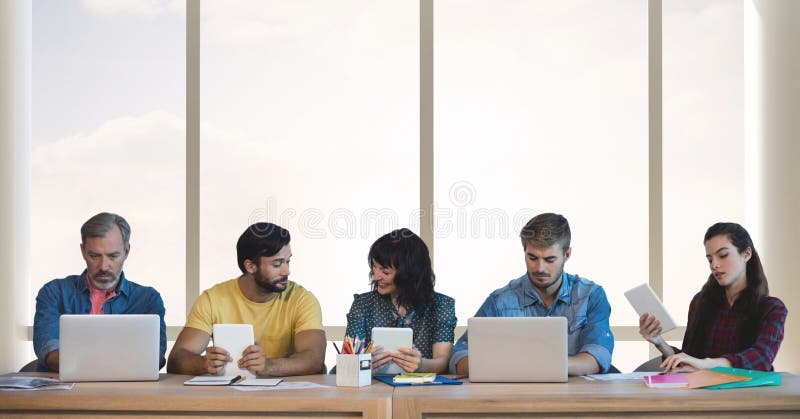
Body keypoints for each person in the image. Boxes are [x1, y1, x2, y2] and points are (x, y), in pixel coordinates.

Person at [449, 213, 614, 376]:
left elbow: (597, 358)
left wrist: (538, 366)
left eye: (550, 259)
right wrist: (512, 368)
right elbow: (459, 357)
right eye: (533, 258)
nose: (540, 268)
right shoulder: (500, 301)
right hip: (515, 397)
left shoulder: (591, 296)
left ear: (567, 255)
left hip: (576, 397)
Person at [168, 222, 325, 377]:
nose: (287, 271)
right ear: (250, 267)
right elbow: (177, 359)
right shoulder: (212, 299)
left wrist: (268, 366)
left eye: (288, 261)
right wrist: (203, 363)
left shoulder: (302, 299)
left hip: (286, 397)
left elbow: (314, 359)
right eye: (277, 264)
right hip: (230, 396)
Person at [639, 222, 787, 372]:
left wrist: (705, 364)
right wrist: (659, 342)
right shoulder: (700, 302)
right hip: (703, 393)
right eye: (710, 259)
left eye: (723, 255)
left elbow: (761, 358)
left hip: (747, 394)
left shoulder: (772, 308)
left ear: (747, 254)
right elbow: (689, 360)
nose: (714, 265)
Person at [33, 212, 167, 372]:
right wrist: (117, 361)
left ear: (126, 251)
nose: (103, 266)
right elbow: (48, 350)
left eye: (113, 256)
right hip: (62, 393)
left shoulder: (148, 300)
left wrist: (83, 362)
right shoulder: (54, 293)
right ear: (83, 251)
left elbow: (154, 358)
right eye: (94, 256)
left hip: (125, 391)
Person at [345, 228, 456, 373]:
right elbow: (349, 357)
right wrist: (362, 364)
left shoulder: (441, 305)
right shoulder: (363, 304)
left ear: (409, 273)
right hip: (372, 389)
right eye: (374, 268)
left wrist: (420, 365)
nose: (376, 277)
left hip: (423, 390)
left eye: (385, 272)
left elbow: (442, 361)